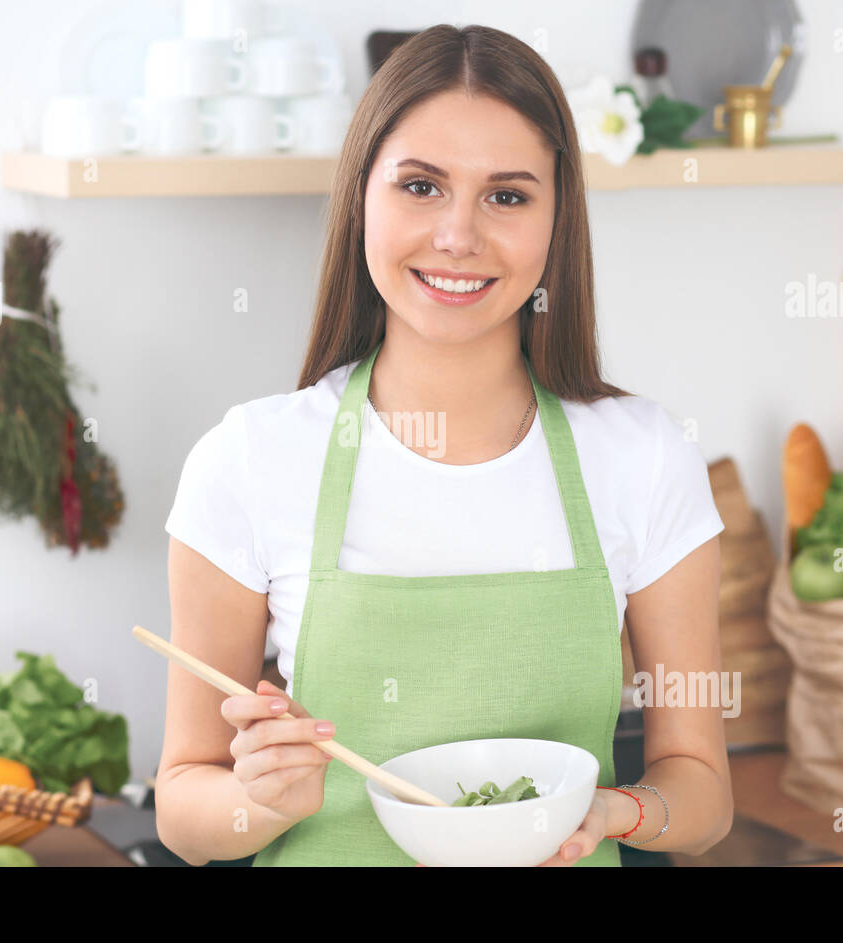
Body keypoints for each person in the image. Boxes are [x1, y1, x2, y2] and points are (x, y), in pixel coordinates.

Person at [157, 23, 732, 867]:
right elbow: (181, 805)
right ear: (362, 197)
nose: (458, 235)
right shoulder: (248, 460)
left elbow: (703, 793)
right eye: (421, 186)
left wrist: (616, 812)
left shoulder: (645, 457)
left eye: (507, 196)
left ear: (556, 221)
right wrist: (256, 801)